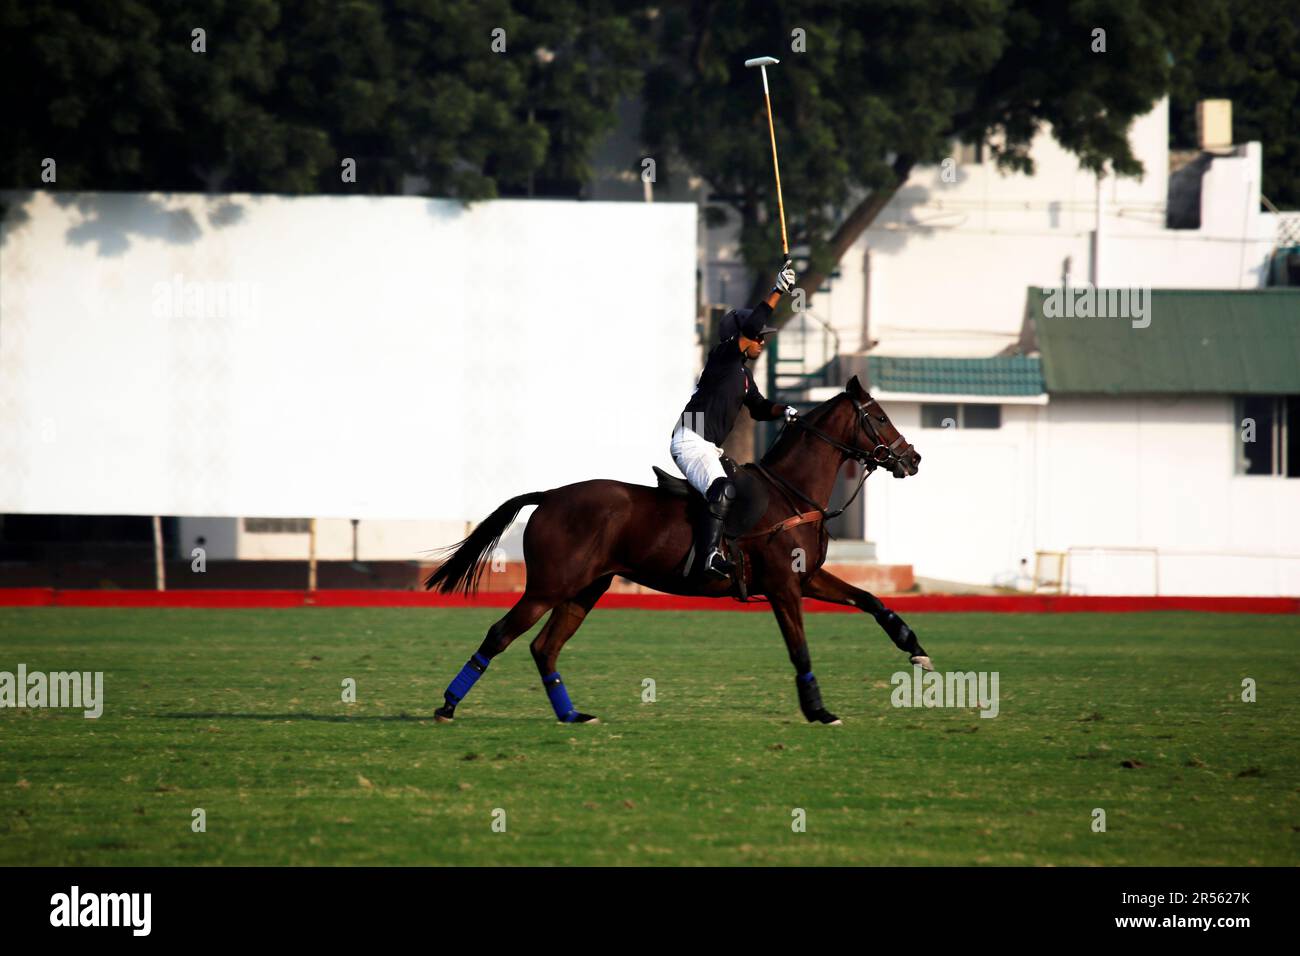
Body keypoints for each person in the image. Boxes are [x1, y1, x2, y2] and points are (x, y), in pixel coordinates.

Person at [671, 260, 800, 579]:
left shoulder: (742, 375)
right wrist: (778, 290)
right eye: (759, 339)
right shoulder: (723, 357)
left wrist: (782, 411)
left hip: (708, 446)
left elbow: (758, 407)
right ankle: (708, 557)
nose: (762, 342)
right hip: (690, 439)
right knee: (723, 489)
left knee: (749, 490)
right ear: (742, 338)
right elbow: (753, 326)